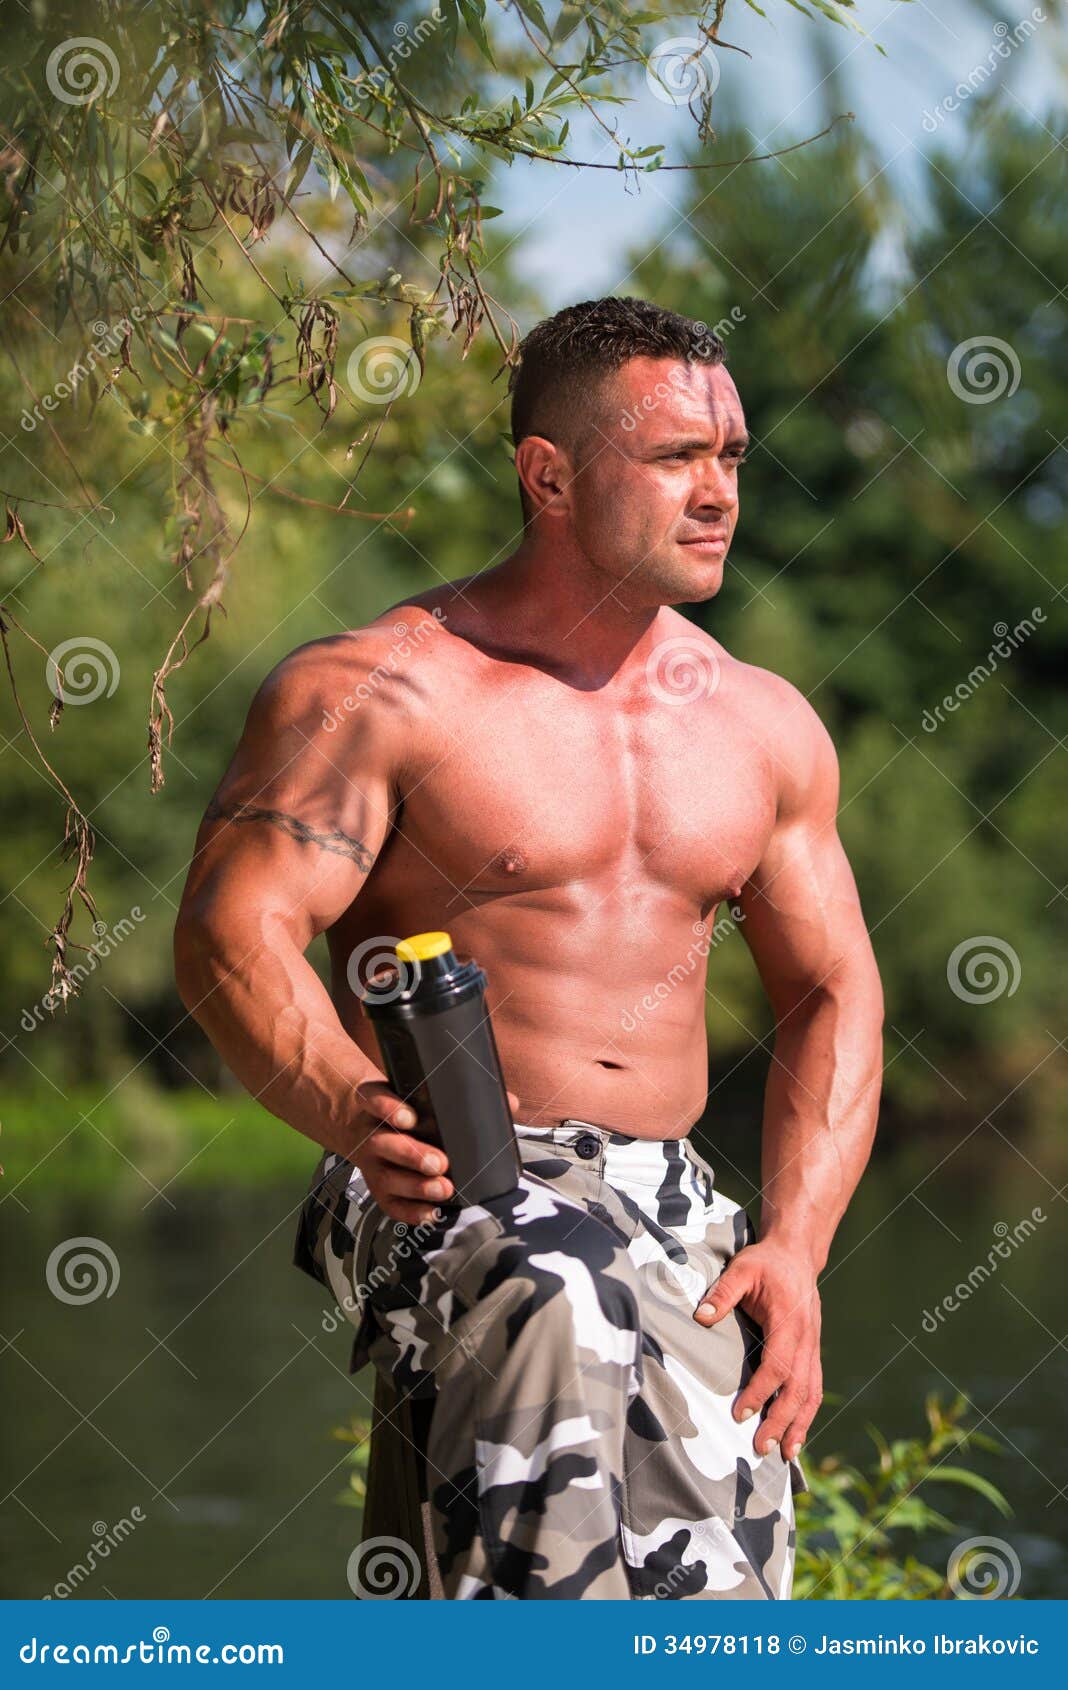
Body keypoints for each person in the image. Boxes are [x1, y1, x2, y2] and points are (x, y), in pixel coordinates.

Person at [174, 295, 884, 1600]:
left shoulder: (761, 727)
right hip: (436, 1169)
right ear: (546, 473)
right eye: (677, 457)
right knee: (557, 1291)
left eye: (730, 454)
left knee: (734, 1449)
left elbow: (833, 985)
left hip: (664, 1183)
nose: (720, 489)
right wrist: (349, 1105)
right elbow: (234, 929)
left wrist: (795, 1242)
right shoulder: (385, 689)